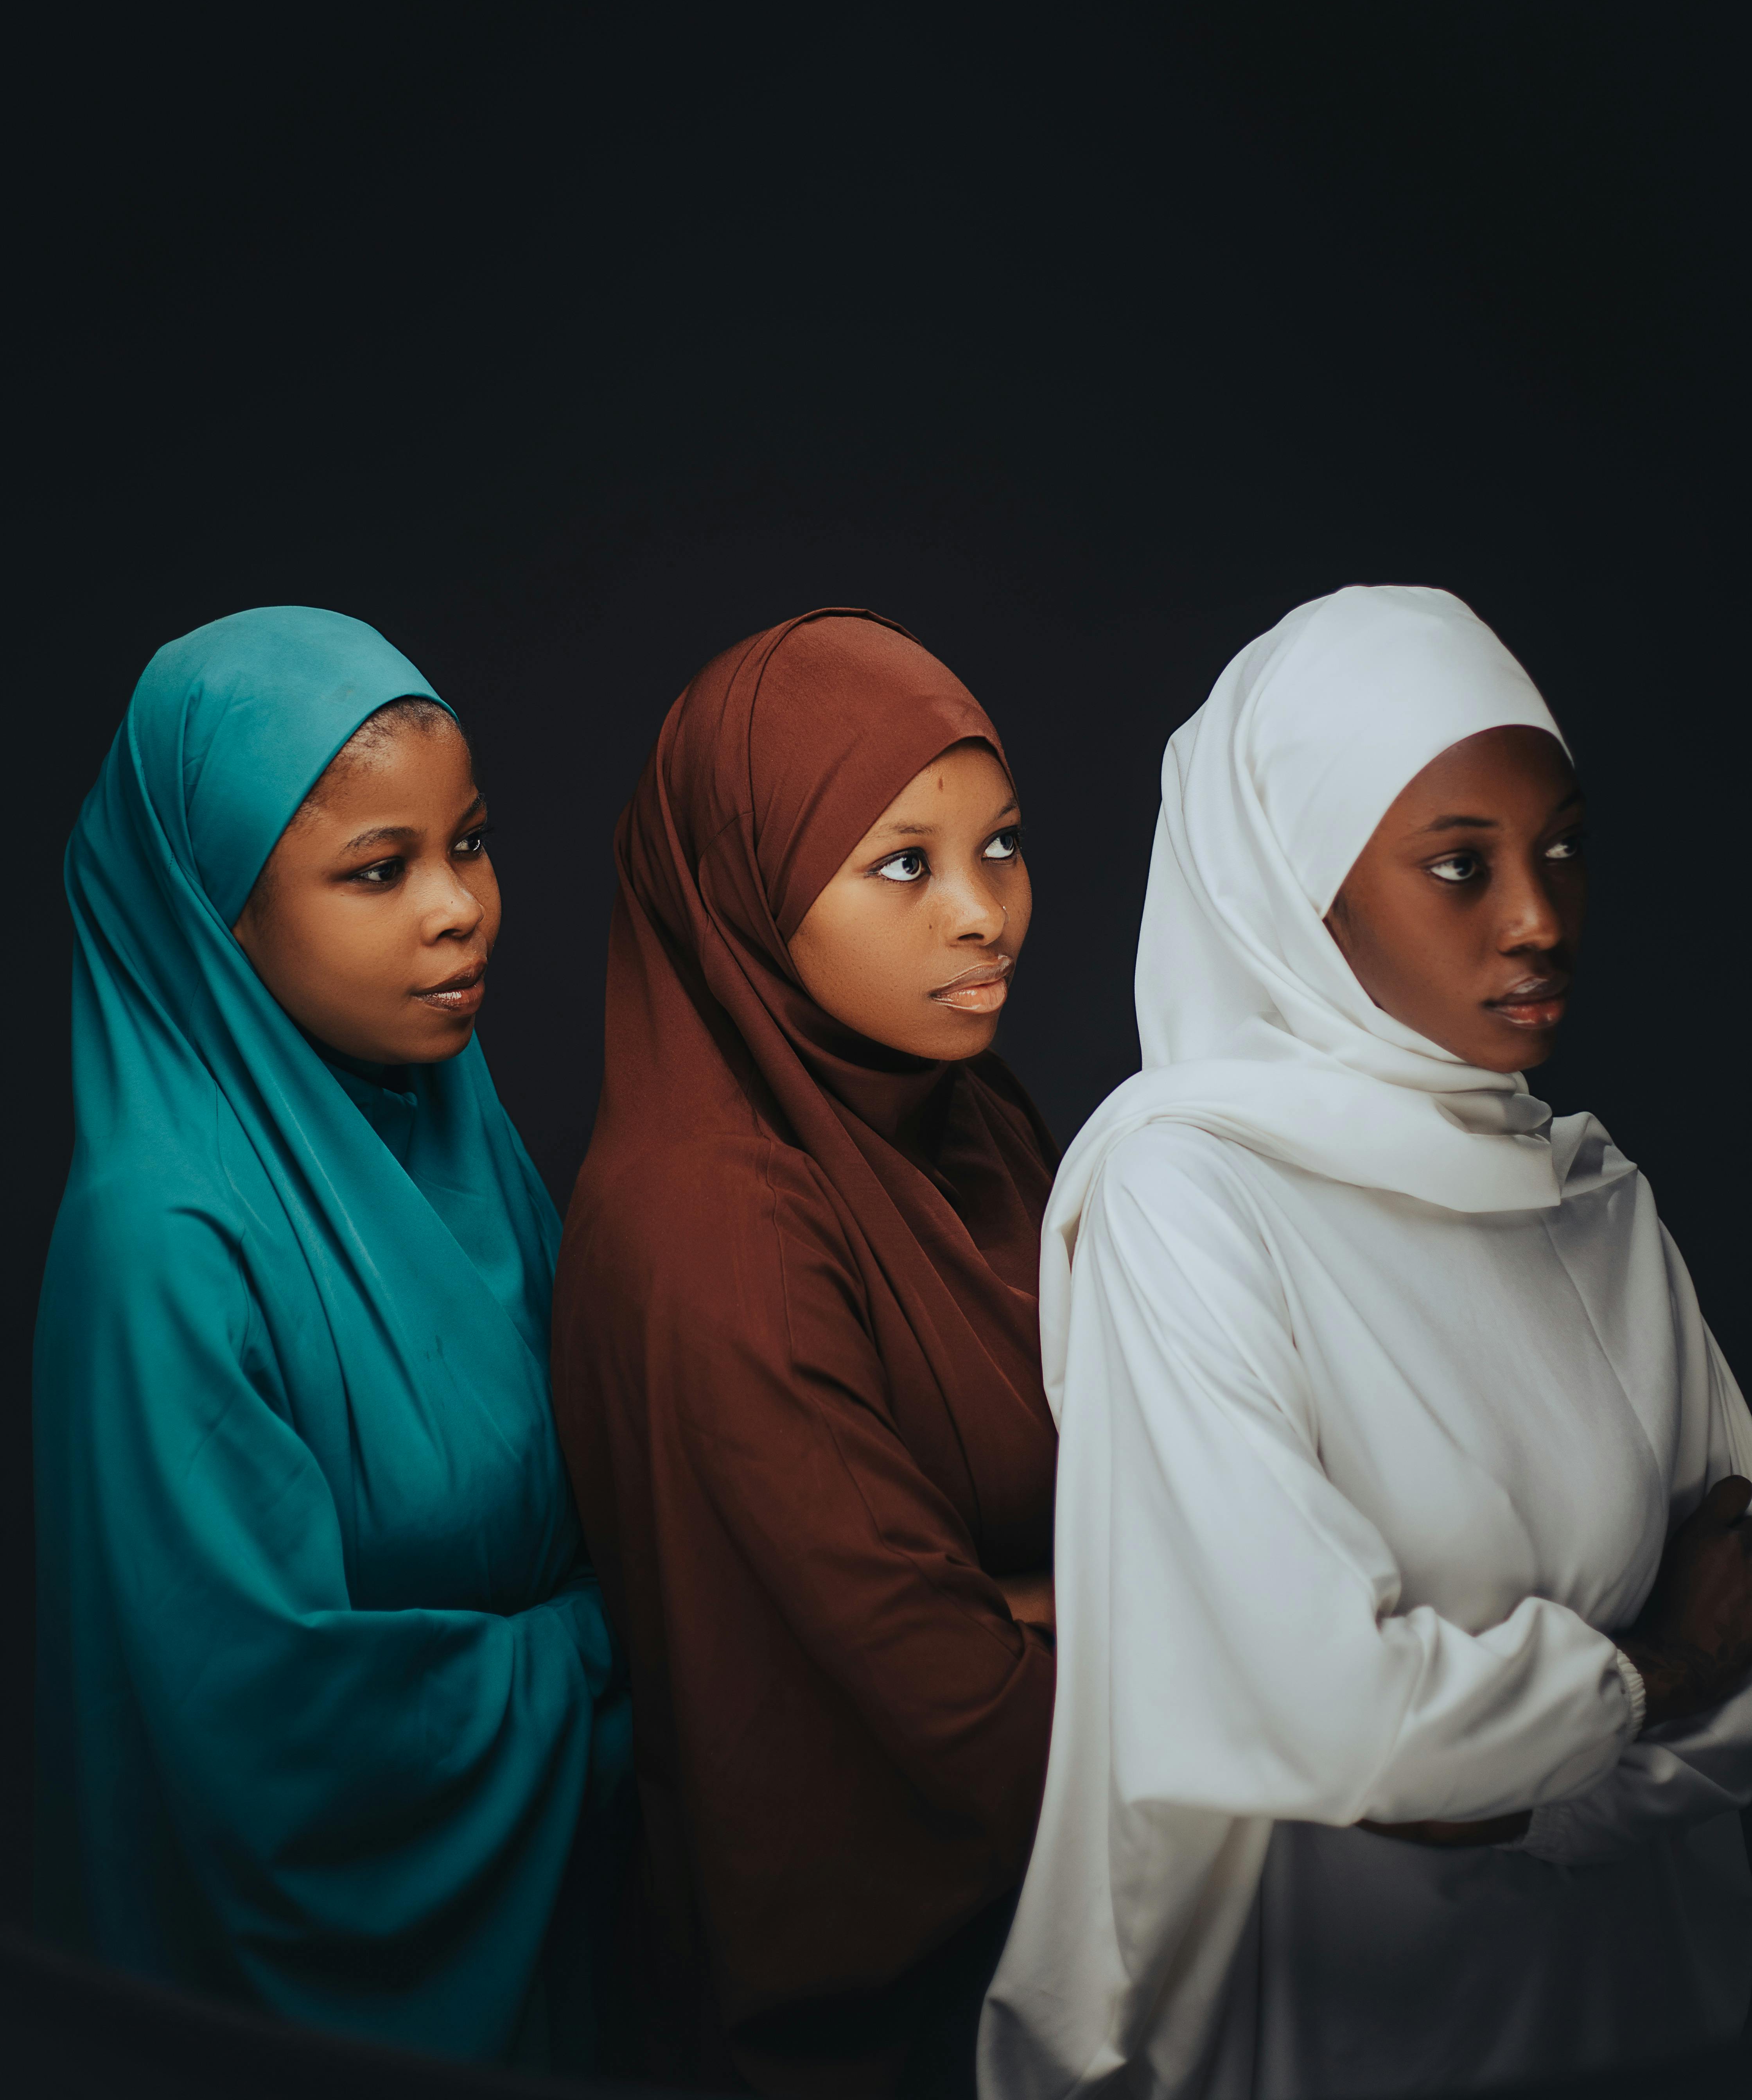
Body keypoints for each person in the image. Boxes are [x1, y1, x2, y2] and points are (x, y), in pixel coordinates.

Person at [980, 585, 1752, 2100]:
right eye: (1458, 866)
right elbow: (1333, 1714)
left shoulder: (1588, 1192)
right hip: (1338, 2034)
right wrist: (1659, 1666)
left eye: (1562, 848)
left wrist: (1529, 1789)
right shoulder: (1184, 1192)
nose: (1538, 915)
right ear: (1295, 895)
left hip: (1652, 2008)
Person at [34, 607, 630, 2066]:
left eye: (470, 844)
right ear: (216, 913)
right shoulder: (164, 1243)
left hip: (573, 1970)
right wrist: (654, 1641)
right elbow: (278, 1746)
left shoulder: (457, 1141)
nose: (459, 909)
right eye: (380, 870)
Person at [551, 609, 1059, 2098]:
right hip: (879, 2023)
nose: (984, 913)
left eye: (1003, 845)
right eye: (903, 862)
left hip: (1069, 1956)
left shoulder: (971, 1123)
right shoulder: (718, 1225)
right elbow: (957, 1706)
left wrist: (1060, 1601)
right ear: (747, 892)